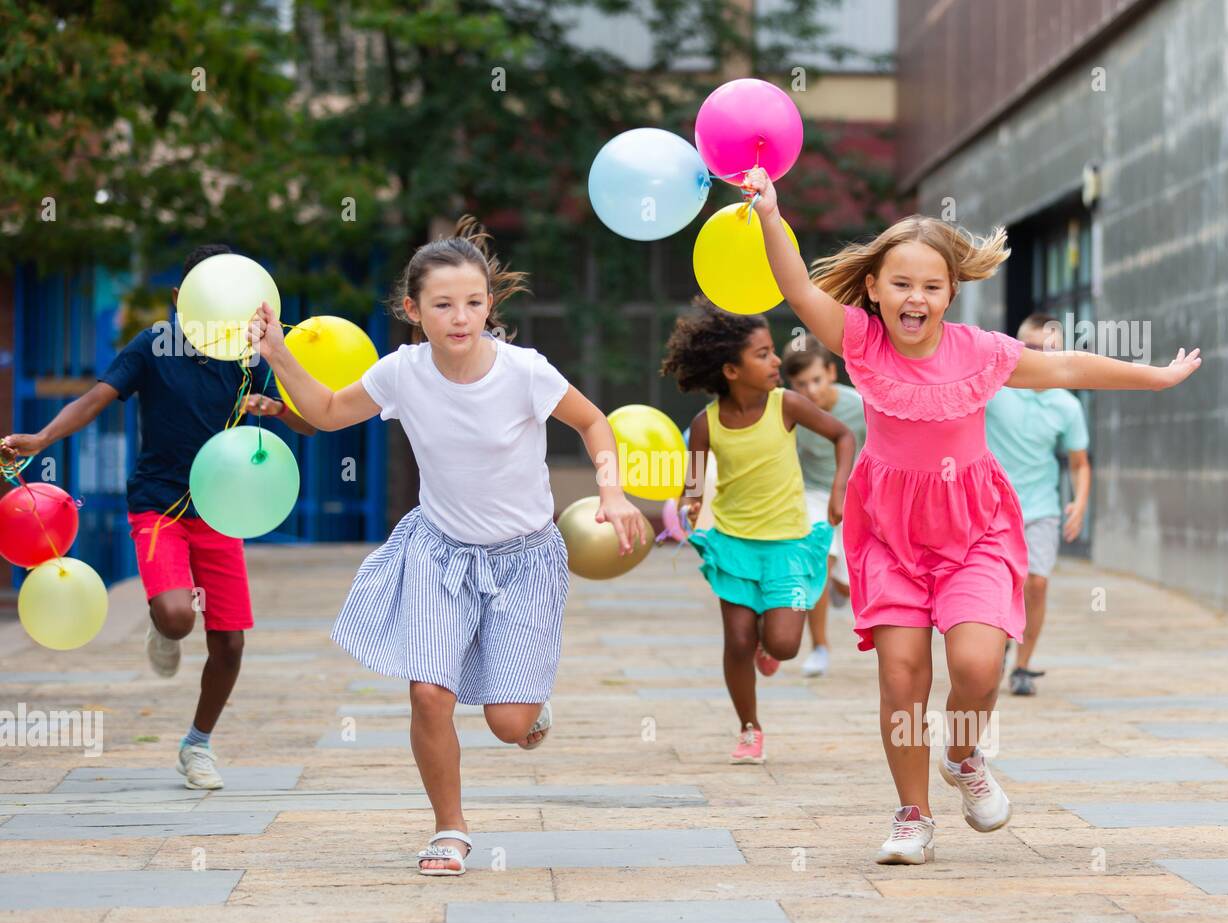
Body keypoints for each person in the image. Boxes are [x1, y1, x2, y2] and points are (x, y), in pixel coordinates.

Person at [741, 166, 1201, 863]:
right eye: (901, 284)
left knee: (978, 666)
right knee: (901, 674)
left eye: (931, 285)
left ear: (952, 291)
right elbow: (798, 288)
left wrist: (1158, 376)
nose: (915, 297)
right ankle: (911, 816)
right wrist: (772, 215)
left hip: (974, 530)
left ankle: (963, 757)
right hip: (890, 536)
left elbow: (1070, 369)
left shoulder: (981, 352)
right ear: (872, 288)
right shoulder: (861, 342)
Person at [246, 217, 644, 875]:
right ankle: (449, 830)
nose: (461, 318)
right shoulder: (401, 372)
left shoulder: (524, 371)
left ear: (490, 304)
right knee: (429, 692)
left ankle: (527, 704)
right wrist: (279, 353)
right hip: (439, 552)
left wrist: (612, 490)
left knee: (508, 725)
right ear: (412, 310)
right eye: (442, 304)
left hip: (524, 560)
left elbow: (593, 422)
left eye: (474, 302)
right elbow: (325, 412)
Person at [1, 243, 316, 791]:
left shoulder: (249, 358)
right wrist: (41, 438)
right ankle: (164, 618)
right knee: (176, 617)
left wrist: (275, 408)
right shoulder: (155, 344)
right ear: (181, 298)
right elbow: (97, 398)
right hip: (159, 504)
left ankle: (196, 745)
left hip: (222, 508)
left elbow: (312, 423)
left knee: (231, 645)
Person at [661, 297, 855, 764]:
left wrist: (839, 489)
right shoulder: (705, 424)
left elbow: (843, 436)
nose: (776, 362)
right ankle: (749, 727)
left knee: (784, 644)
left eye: (772, 352)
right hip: (734, 545)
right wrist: (691, 501)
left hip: (788, 543)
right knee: (738, 639)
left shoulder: (786, 405)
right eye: (763, 354)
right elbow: (694, 479)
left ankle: (773, 645)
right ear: (731, 370)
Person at [985, 313, 1091, 696]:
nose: (1037, 355)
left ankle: (1023, 667)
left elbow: (1079, 464)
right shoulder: (994, 390)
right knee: (996, 586)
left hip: (1042, 507)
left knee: (1037, 583)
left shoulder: (1067, 406)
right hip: (991, 509)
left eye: (1046, 349)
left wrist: (1079, 502)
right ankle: (994, 648)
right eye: (1028, 347)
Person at [782, 339, 867, 677]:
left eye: (816, 380)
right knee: (816, 564)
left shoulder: (859, 407)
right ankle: (819, 646)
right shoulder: (793, 412)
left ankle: (838, 587)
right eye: (801, 384)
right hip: (814, 495)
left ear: (832, 372)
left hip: (858, 500)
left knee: (845, 585)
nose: (811, 390)